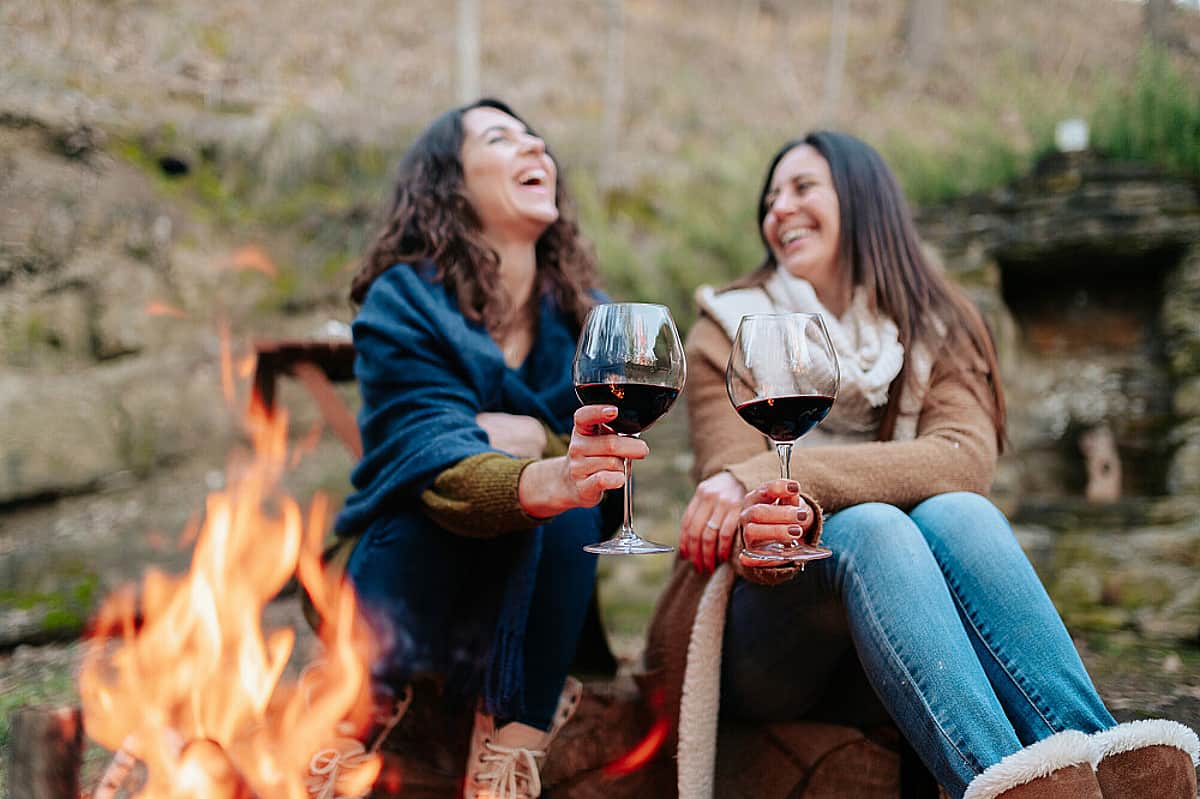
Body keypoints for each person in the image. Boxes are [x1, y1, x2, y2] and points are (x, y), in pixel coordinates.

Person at [642, 131, 1199, 799]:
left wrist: (783, 475)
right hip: (764, 632)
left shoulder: (939, 322)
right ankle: (996, 778)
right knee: (874, 525)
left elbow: (960, 460)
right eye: (769, 199)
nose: (778, 210)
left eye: (801, 188)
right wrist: (768, 493)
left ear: (862, 198)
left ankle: (1113, 768)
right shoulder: (729, 325)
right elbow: (738, 488)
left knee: (958, 508)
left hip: (906, 642)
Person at [321, 98, 642, 799]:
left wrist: (537, 452)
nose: (537, 150)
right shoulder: (402, 302)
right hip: (411, 580)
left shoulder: (589, 316)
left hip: (541, 589)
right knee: (423, 498)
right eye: (502, 138)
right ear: (449, 185)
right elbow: (426, 450)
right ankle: (341, 734)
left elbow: (612, 479)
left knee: (572, 504)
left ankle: (507, 761)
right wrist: (540, 462)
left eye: (539, 140)